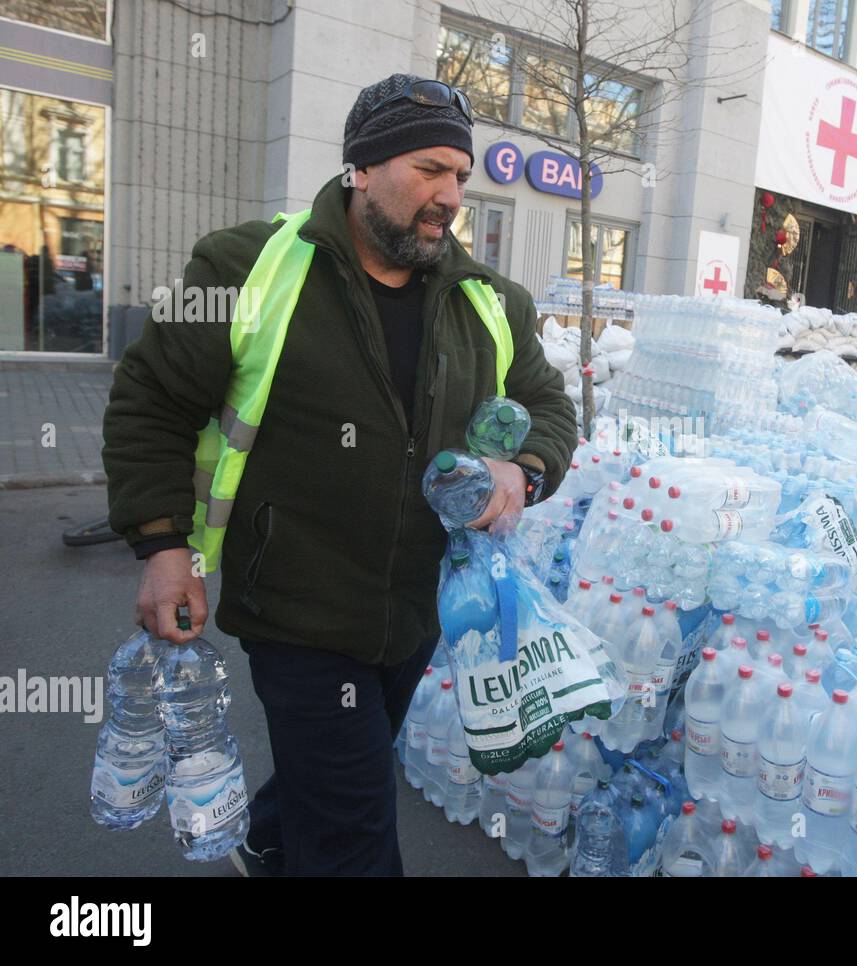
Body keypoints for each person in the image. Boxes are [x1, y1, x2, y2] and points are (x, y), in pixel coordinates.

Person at [102, 74, 577, 875]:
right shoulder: (246, 268)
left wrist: (521, 472)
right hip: (299, 610)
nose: (449, 194)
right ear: (360, 168)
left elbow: (550, 409)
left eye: (460, 176)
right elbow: (151, 401)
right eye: (428, 169)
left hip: (417, 611)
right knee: (356, 835)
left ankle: (270, 837)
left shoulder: (489, 301)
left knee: (335, 771)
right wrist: (161, 546)